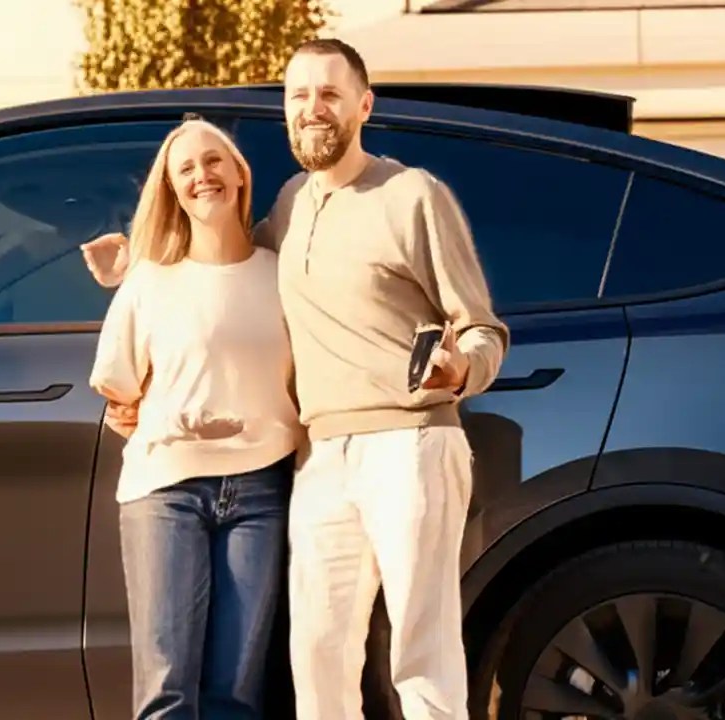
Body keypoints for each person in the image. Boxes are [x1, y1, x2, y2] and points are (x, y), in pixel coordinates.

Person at [82, 39, 510, 720]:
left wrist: (463, 367)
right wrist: (139, 262)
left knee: (420, 652)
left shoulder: (412, 195)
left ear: (363, 105)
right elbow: (218, 264)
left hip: (410, 443)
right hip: (318, 458)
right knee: (316, 659)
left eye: (330, 94)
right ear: (285, 112)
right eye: (299, 96)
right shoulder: (289, 206)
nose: (313, 109)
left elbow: (481, 325)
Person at [87, 115, 303, 720]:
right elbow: (119, 393)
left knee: (237, 694)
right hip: (166, 492)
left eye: (214, 161)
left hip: (262, 489)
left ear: (239, 173)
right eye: (185, 168)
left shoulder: (281, 274)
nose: (201, 175)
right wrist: (131, 408)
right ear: (172, 190)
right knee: (167, 690)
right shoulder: (148, 282)